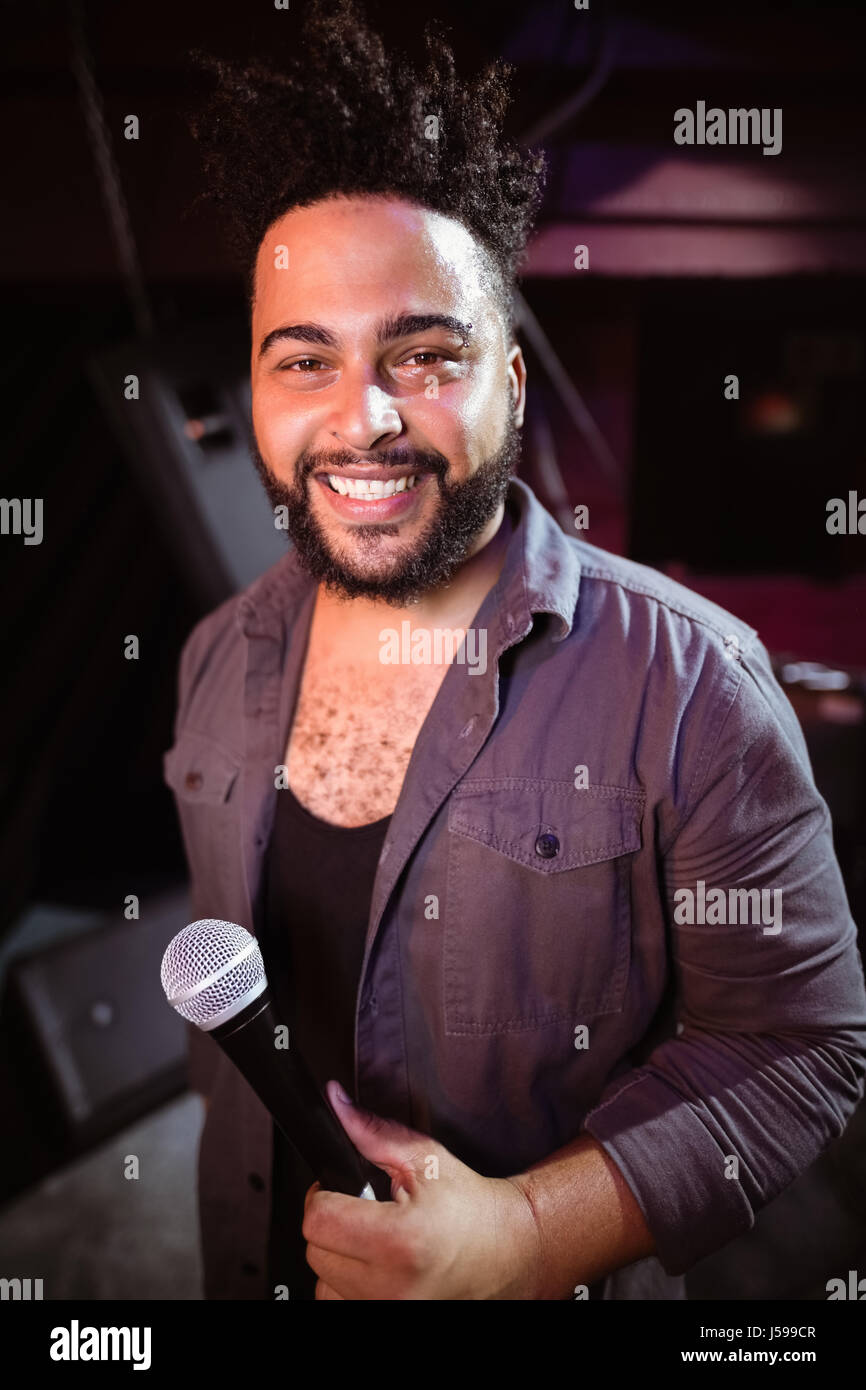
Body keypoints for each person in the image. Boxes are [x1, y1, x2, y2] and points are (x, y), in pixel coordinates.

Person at [164, 0, 866, 1300]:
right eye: (301, 361)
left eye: (422, 354)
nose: (359, 418)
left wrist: (523, 1237)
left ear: (514, 382)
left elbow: (797, 1049)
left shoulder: (692, 684)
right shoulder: (216, 653)